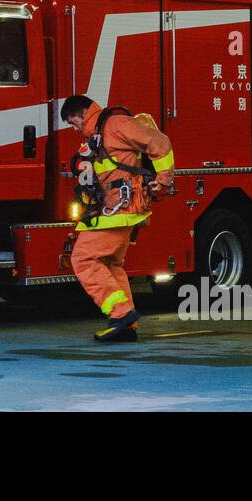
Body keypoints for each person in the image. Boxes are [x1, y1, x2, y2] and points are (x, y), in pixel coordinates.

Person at [61, 94, 175, 343]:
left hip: (119, 211)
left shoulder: (115, 124)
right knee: (111, 264)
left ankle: (121, 313)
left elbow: (159, 142)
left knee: (83, 259)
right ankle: (126, 326)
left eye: (73, 122)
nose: (74, 129)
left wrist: (164, 181)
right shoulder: (99, 133)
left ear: (83, 114)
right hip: (115, 209)